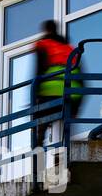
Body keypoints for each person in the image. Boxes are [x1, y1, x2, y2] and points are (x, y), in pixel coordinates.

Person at [32, 19, 83, 148]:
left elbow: (38, 72)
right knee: (67, 124)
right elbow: (82, 78)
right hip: (72, 92)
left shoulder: (43, 45)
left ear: (46, 30)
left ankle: (37, 160)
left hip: (50, 91)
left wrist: (34, 98)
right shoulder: (70, 49)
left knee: (40, 125)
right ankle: (68, 151)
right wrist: (78, 105)